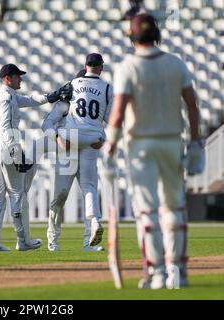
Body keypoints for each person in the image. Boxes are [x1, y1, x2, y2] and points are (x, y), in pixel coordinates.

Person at [105, 14, 204, 289]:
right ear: (157, 34)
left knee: (148, 212)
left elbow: (119, 110)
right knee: (174, 208)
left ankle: (157, 273)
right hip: (172, 142)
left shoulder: (127, 66)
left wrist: (110, 148)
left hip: (139, 146)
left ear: (132, 37)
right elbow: (192, 106)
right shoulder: (175, 63)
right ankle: (178, 273)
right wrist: (196, 143)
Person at [0, 63, 71, 251]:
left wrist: (50, 96)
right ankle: (23, 240)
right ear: (9, 78)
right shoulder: (6, 98)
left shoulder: (4, 96)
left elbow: (30, 100)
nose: (20, 79)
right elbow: (7, 128)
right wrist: (17, 154)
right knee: (17, 193)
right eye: (18, 76)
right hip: (5, 147)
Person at [44, 54, 113, 252]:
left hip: (79, 142)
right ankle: (54, 238)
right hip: (70, 144)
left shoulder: (75, 89)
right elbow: (46, 123)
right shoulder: (65, 102)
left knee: (84, 189)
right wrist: (57, 137)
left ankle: (87, 240)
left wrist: (103, 138)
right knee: (63, 194)